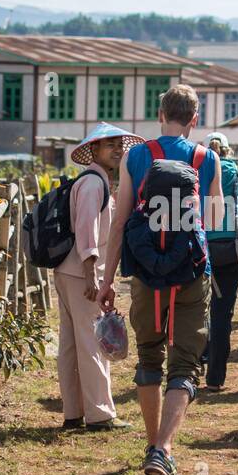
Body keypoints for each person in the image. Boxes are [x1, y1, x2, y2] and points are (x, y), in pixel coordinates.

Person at [98, 84, 223, 475]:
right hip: (189, 273)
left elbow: (119, 221)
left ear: (159, 114)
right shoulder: (208, 158)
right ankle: (163, 450)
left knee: (149, 358)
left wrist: (107, 278)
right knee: (184, 364)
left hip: (147, 272)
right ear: (195, 119)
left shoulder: (136, 156)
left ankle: (154, 445)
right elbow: (217, 221)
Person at [54, 123, 143, 431]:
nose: (118, 150)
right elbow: (87, 231)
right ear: (94, 150)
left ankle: (74, 412)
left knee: (71, 343)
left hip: (68, 271)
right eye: (110, 145)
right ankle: (101, 414)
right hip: (82, 273)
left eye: (120, 145)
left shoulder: (94, 180)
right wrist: (92, 275)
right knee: (94, 341)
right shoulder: (94, 184)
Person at [201, 132, 238, 392]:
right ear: (228, 151)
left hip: (202, 249)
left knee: (200, 308)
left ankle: (197, 360)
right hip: (233, 250)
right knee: (223, 311)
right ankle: (215, 378)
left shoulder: (199, 173)